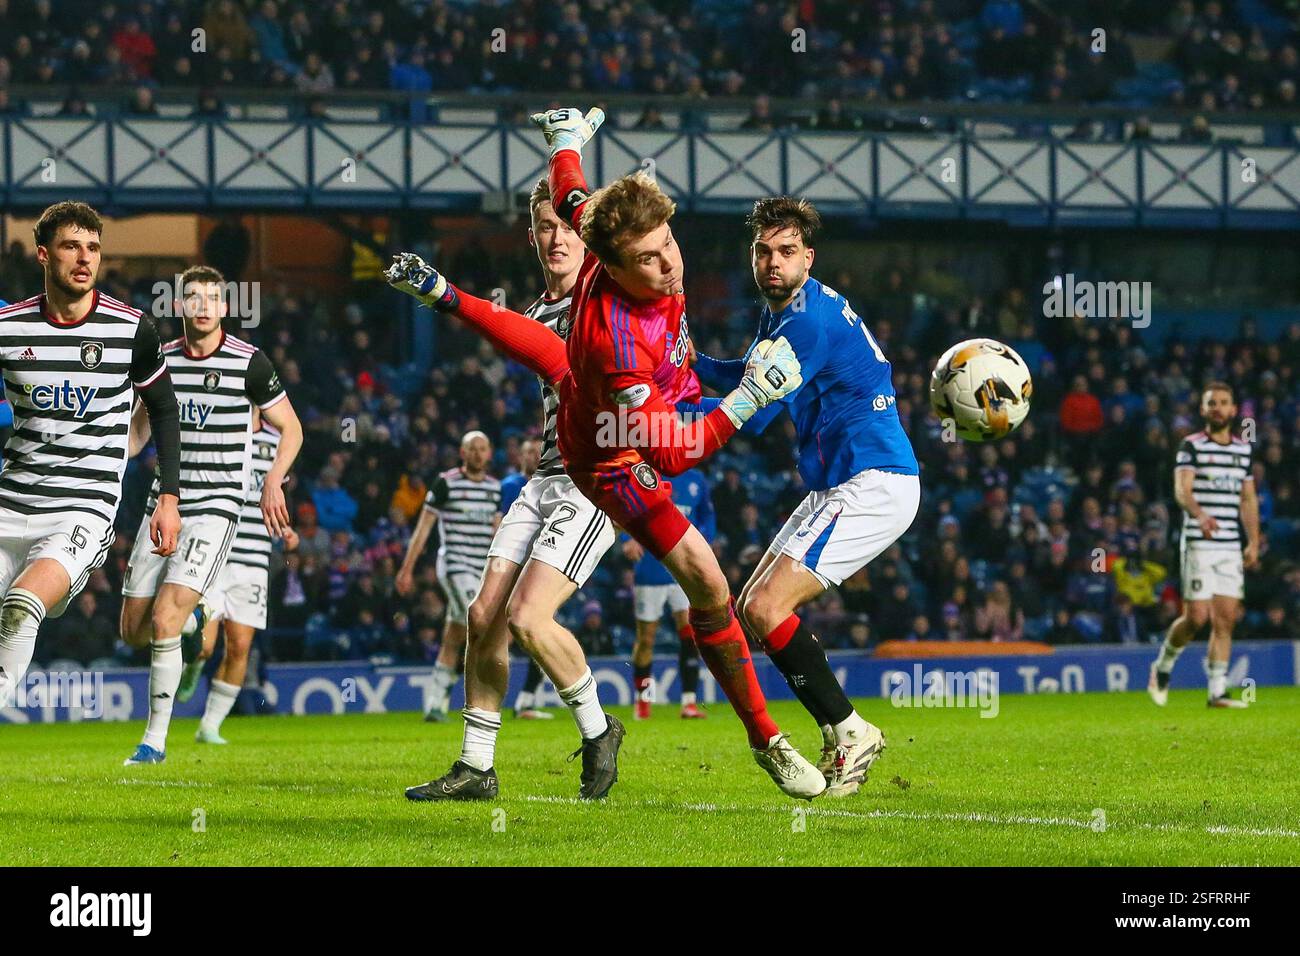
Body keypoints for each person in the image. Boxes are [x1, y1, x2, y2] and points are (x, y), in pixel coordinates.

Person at [386, 106, 823, 799]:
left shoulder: (611, 242)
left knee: (712, 592)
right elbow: (674, 455)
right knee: (683, 589)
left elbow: (570, 192)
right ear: (614, 266)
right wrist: (746, 400)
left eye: (670, 245)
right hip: (610, 464)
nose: (669, 263)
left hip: (633, 419)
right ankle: (660, 735)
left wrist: (565, 142)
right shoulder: (617, 348)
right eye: (650, 260)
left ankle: (764, 739)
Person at [692, 197, 919, 796]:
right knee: (751, 607)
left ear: (808, 257)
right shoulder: (789, 312)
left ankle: (849, 731)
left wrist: (668, 400)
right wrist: (687, 363)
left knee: (766, 609)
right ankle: (843, 727)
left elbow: (756, 412)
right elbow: (747, 373)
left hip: (874, 479)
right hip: (841, 482)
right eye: (763, 251)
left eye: (786, 252)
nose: (772, 262)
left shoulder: (808, 324)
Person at [0, 202, 181, 713]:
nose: (84, 259)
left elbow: (165, 411)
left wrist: (170, 498)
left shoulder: (131, 330)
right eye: (70, 246)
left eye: (93, 248)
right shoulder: (8, 329)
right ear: (42, 254)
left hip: (80, 511)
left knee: (20, 608)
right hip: (10, 501)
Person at [120, 264, 302, 765]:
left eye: (212, 299)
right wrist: (108, 457)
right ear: (179, 307)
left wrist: (271, 480)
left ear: (224, 308)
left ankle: (153, 741)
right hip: (164, 503)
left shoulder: (250, 363)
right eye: (192, 298)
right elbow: (139, 432)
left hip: (218, 507)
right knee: (133, 629)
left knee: (162, 619)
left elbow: (292, 429)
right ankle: (196, 621)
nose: (202, 306)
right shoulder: (162, 363)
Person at [176, 419, 299, 744]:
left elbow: (279, 500)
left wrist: (287, 531)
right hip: (217, 551)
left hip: (254, 560)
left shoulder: (277, 444)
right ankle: (193, 664)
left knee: (240, 646)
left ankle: (210, 726)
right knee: (204, 645)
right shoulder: (219, 431)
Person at [1149, 382, 1260, 708]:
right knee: (1196, 617)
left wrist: (1253, 540)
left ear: (1233, 409)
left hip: (1229, 546)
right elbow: (1182, 491)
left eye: (1223, 403)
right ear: (1203, 410)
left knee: (1226, 618)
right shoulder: (1191, 445)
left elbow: (1248, 499)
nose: (1217, 408)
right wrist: (1200, 515)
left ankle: (1217, 691)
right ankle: (1163, 665)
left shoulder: (1243, 450)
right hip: (1200, 541)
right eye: (1211, 403)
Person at [395, 431, 500, 722]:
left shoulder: (495, 489)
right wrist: (407, 568)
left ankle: (434, 702)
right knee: (479, 622)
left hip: (482, 569)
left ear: (490, 453)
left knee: (455, 634)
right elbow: (423, 529)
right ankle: (478, 702)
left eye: (483, 448)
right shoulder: (446, 483)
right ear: (462, 453)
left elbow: (498, 532)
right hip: (455, 565)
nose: (478, 454)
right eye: (472, 449)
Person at [622, 467, 712, 720]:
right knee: (646, 638)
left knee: (689, 634)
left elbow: (708, 516)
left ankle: (689, 702)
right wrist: (626, 540)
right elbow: (623, 507)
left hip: (683, 568)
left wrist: (702, 541)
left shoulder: (696, 478)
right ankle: (644, 700)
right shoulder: (646, 472)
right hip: (650, 570)